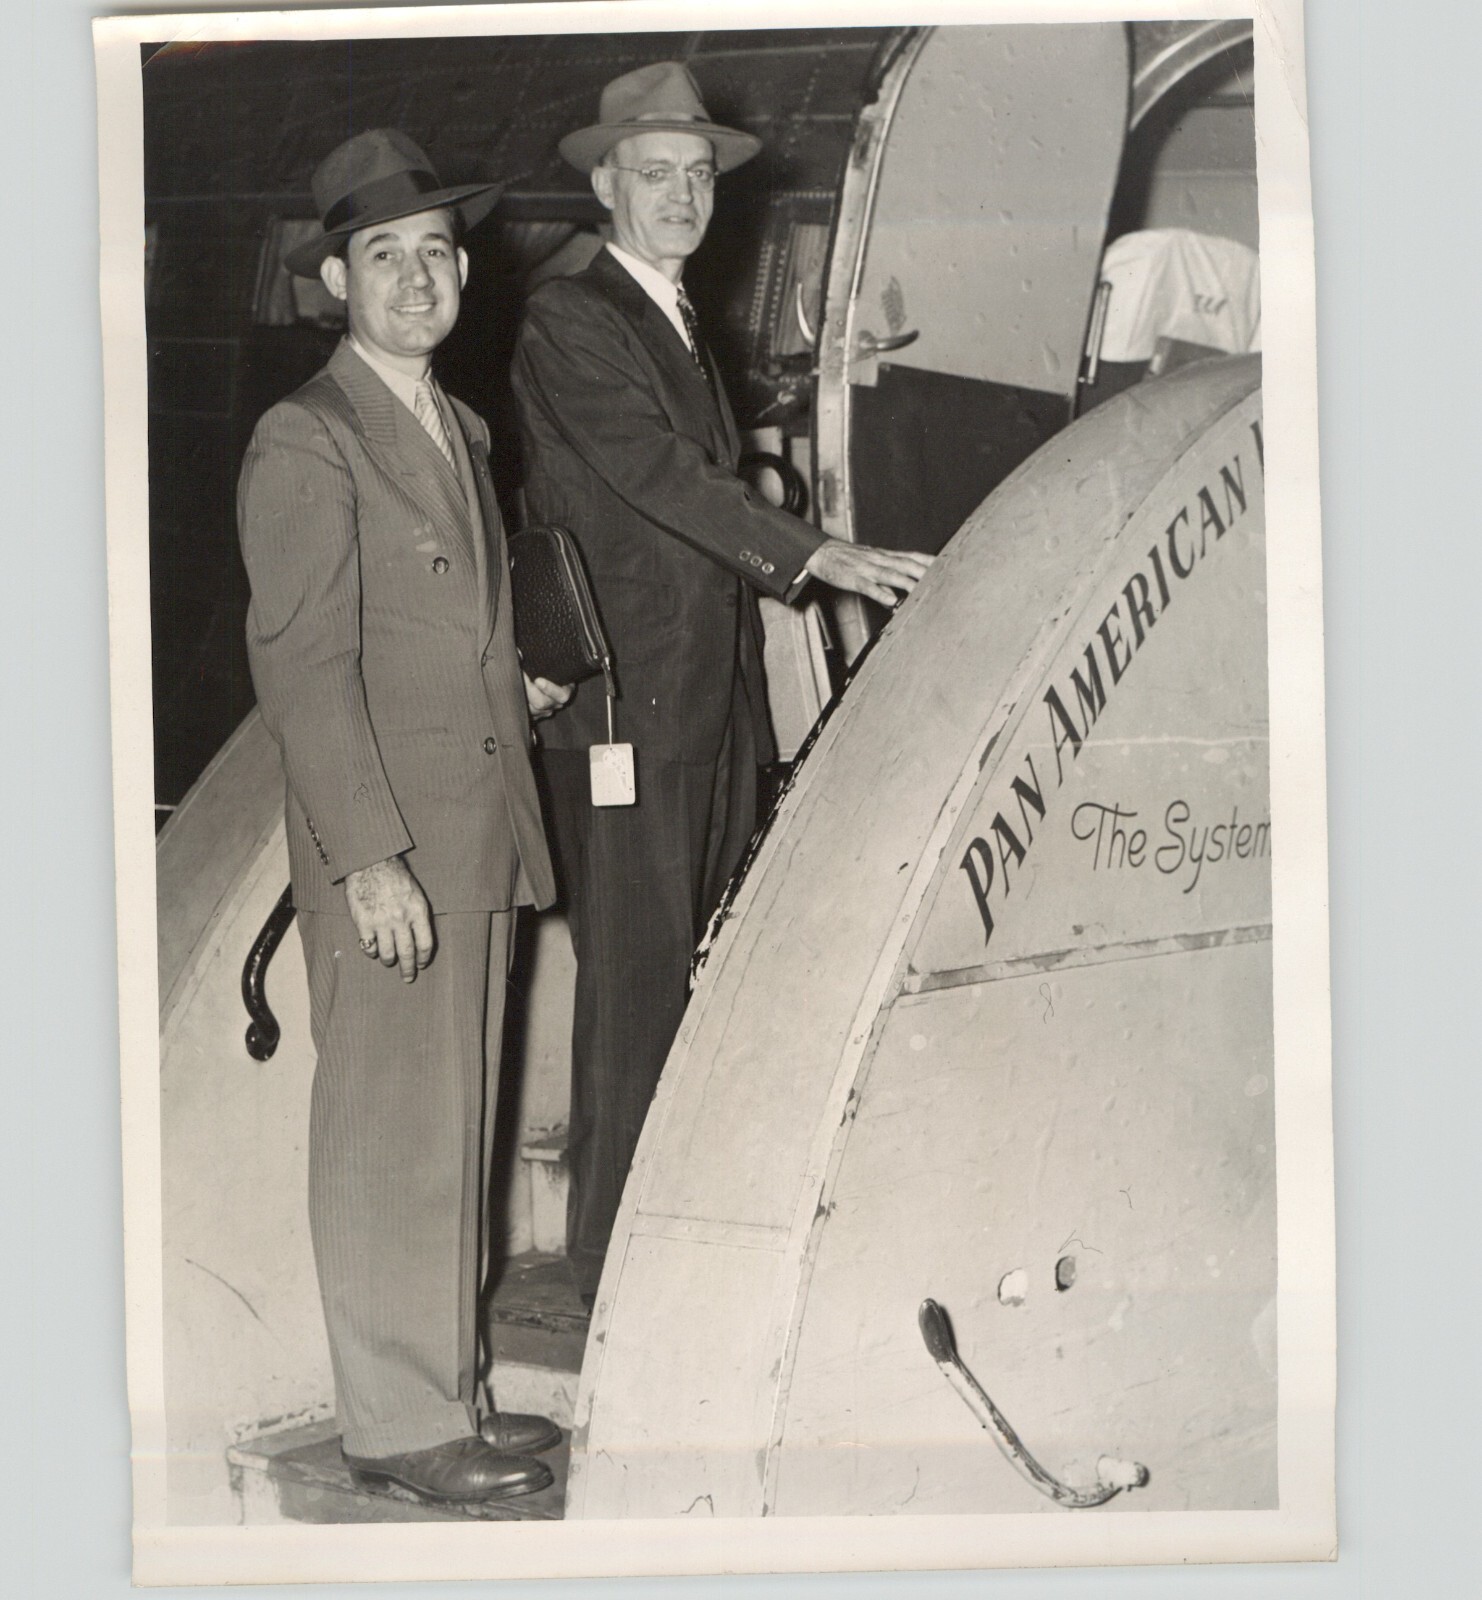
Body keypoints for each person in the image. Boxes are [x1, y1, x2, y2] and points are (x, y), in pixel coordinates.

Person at [511, 63, 931, 1304]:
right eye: (657, 176)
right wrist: (811, 553)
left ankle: (665, 1241)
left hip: (704, 696)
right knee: (637, 982)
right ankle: (605, 1273)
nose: (685, 196)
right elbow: (657, 478)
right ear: (604, 186)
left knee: (692, 968)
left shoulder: (681, 318)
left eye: (699, 176)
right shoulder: (572, 316)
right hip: (628, 707)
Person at [238, 129, 571, 1506]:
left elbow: (440, 627)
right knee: (389, 1131)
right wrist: (368, 857)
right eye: (387, 257)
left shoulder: (457, 423)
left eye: (438, 251)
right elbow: (302, 665)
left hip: (476, 822)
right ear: (337, 280)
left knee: (455, 1131)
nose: (420, 277)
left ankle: (449, 1396)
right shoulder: (308, 437)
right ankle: (391, 1425)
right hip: (395, 848)